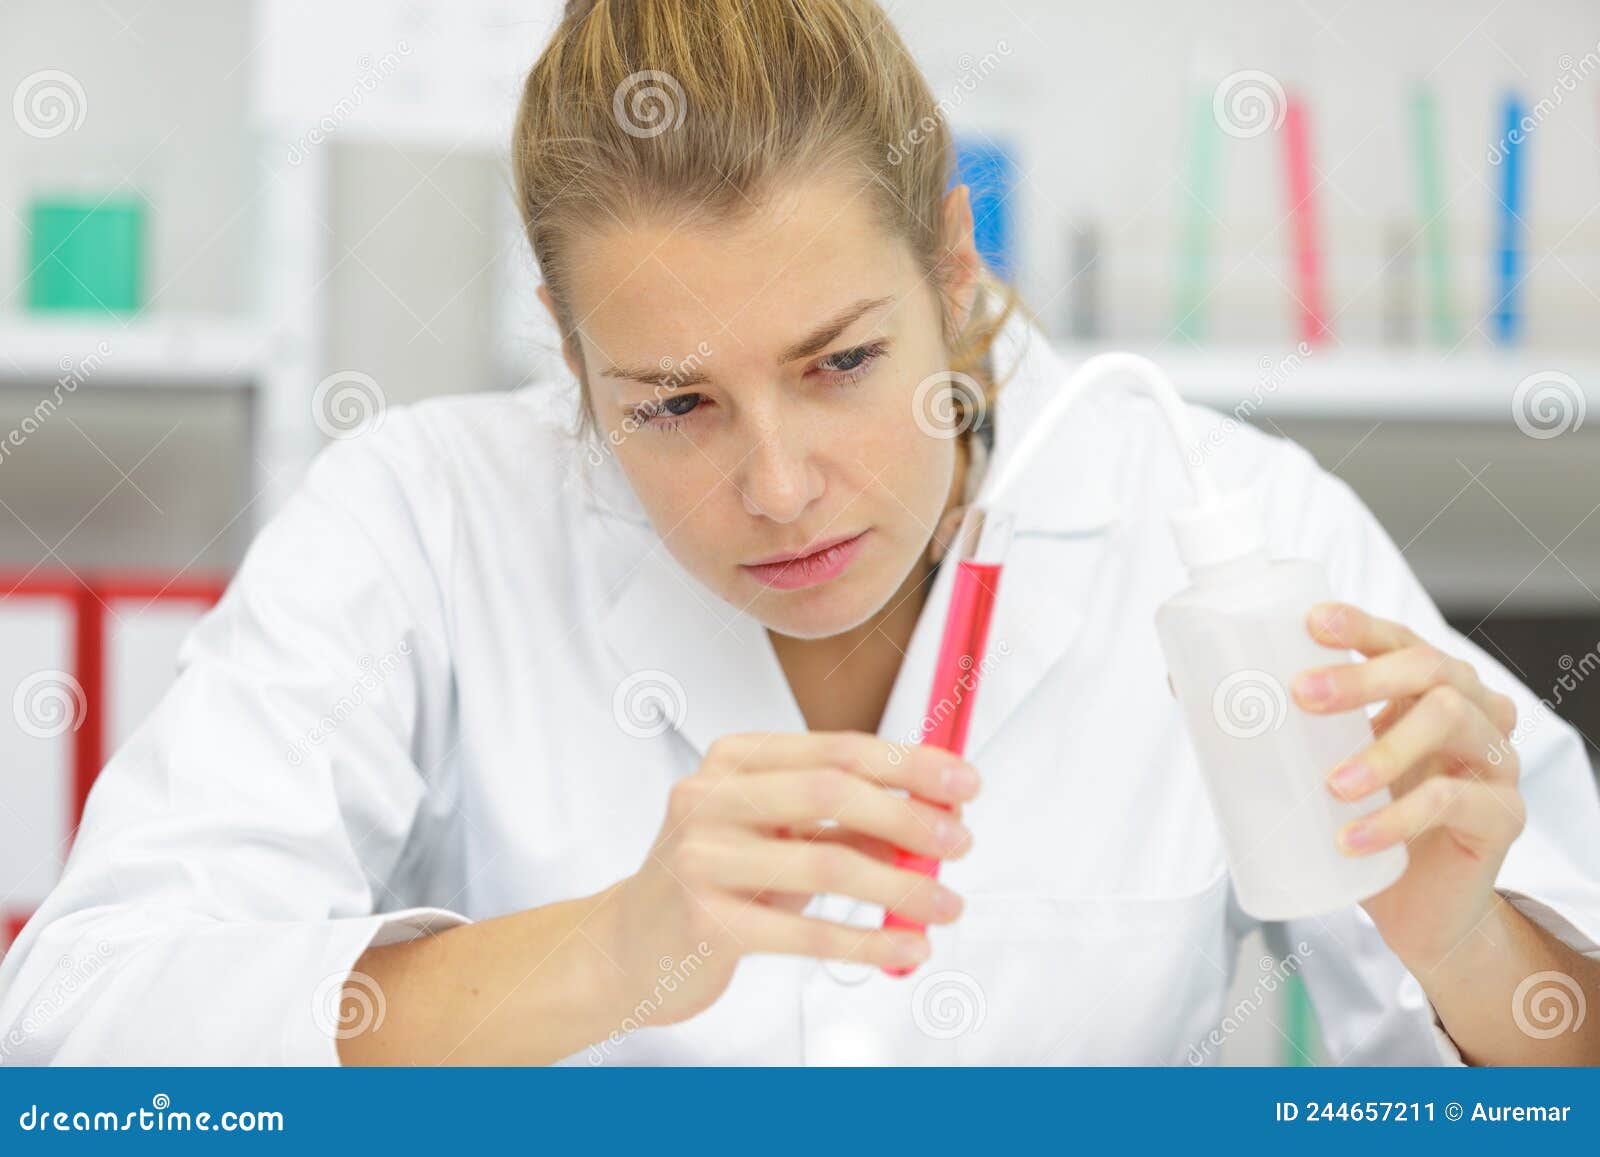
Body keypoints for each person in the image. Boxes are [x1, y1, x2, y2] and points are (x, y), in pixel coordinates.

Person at [2, 0, 1598, 1066]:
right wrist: (601, 955)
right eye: (673, 404)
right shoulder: (423, 520)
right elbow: (79, 1032)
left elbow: (1560, 1038)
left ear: (952, 261)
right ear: (568, 354)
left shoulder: (1220, 519)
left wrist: (1469, 944)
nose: (778, 484)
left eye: (841, 364)